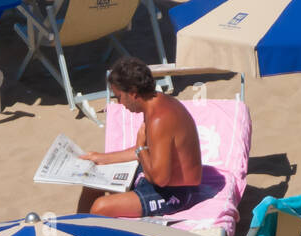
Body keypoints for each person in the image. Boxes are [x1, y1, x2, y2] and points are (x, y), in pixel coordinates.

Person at [76, 57, 205, 220]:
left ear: (133, 94)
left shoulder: (160, 119)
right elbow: (150, 149)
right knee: (92, 184)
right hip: (156, 176)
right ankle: (77, 232)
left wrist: (140, 148)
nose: (119, 103)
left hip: (177, 192)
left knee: (100, 207)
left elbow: (160, 179)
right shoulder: (155, 103)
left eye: (119, 97)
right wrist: (101, 158)